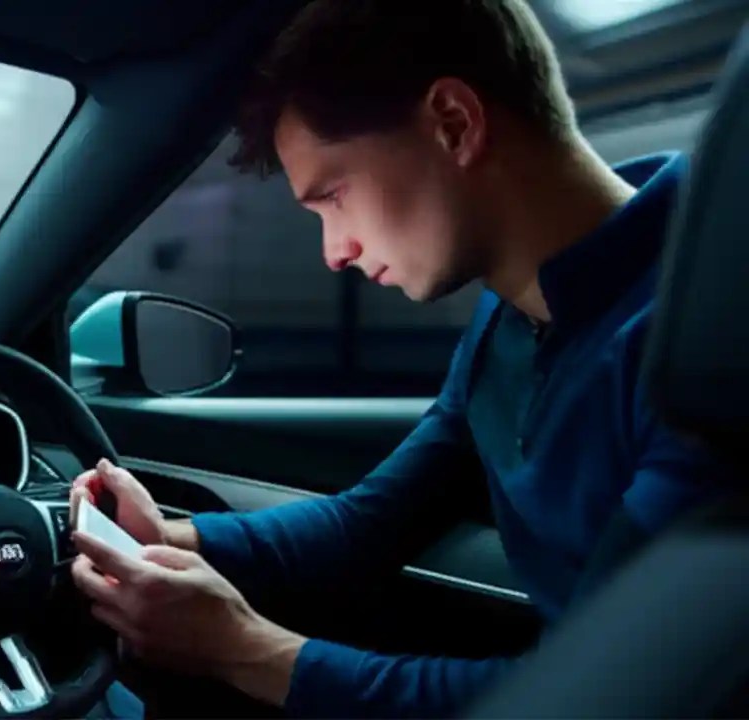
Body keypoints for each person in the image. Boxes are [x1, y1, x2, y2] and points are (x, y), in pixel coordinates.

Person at [69, 0, 731, 717]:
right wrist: (169, 536)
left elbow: (606, 694)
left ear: (454, 122)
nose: (335, 251)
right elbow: (370, 525)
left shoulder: (708, 344)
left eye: (333, 196)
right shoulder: (506, 317)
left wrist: (243, 649)